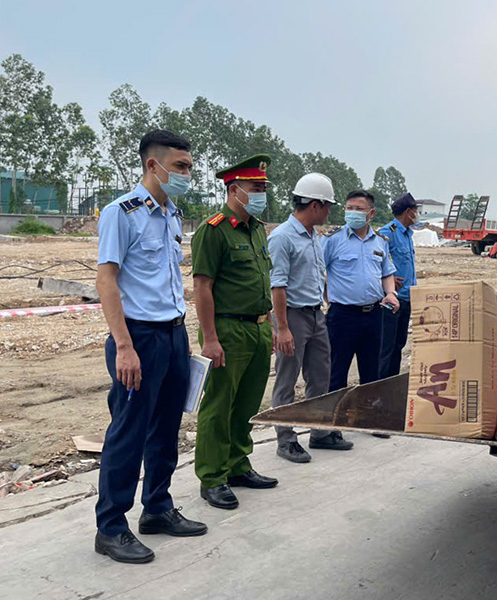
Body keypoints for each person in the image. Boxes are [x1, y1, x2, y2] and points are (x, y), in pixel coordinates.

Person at [93, 129, 207, 564]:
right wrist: (123, 346)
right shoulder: (121, 213)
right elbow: (106, 280)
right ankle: (111, 527)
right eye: (180, 167)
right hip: (137, 338)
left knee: (166, 428)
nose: (186, 175)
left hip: (173, 334)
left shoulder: (172, 214)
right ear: (152, 165)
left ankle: (157, 508)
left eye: (189, 167)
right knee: (128, 433)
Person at [191, 154, 279, 510]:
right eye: (255, 188)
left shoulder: (257, 228)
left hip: (257, 328)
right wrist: (210, 339)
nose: (260, 194)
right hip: (226, 330)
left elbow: (262, 281)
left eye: (262, 188)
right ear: (233, 189)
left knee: (246, 402)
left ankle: (239, 464)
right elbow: (202, 287)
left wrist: (270, 325)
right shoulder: (213, 230)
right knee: (219, 405)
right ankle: (212, 476)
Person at [269, 173, 349, 463]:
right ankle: (286, 439)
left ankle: (320, 432)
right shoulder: (282, 237)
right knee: (287, 379)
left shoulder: (314, 236)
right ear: (314, 205)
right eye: (327, 206)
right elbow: (277, 286)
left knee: (320, 376)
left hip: (316, 315)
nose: (329, 212)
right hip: (293, 316)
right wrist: (283, 328)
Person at [324, 190, 399, 404]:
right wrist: (329, 298)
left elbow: (387, 273)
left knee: (372, 371)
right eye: (349, 208)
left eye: (359, 209)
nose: (353, 213)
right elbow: (317, 271)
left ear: (371, 213)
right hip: (342, 316)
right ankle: (334, 424)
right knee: (336, 371)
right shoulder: (333, 239)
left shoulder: (380, 241)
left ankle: (371, 417)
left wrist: (391, 293)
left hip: (373, 315)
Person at [378, 192, 419, 379]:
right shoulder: (388, 232)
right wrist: (387, 277)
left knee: (399, 344)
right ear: (409, 212)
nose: (418, 215)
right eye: (416, 211)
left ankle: (391, 382)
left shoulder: (408, 234)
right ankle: (379, 385)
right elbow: (376, 260)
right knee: (386, 347)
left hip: (407, 298)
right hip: (392, 299)